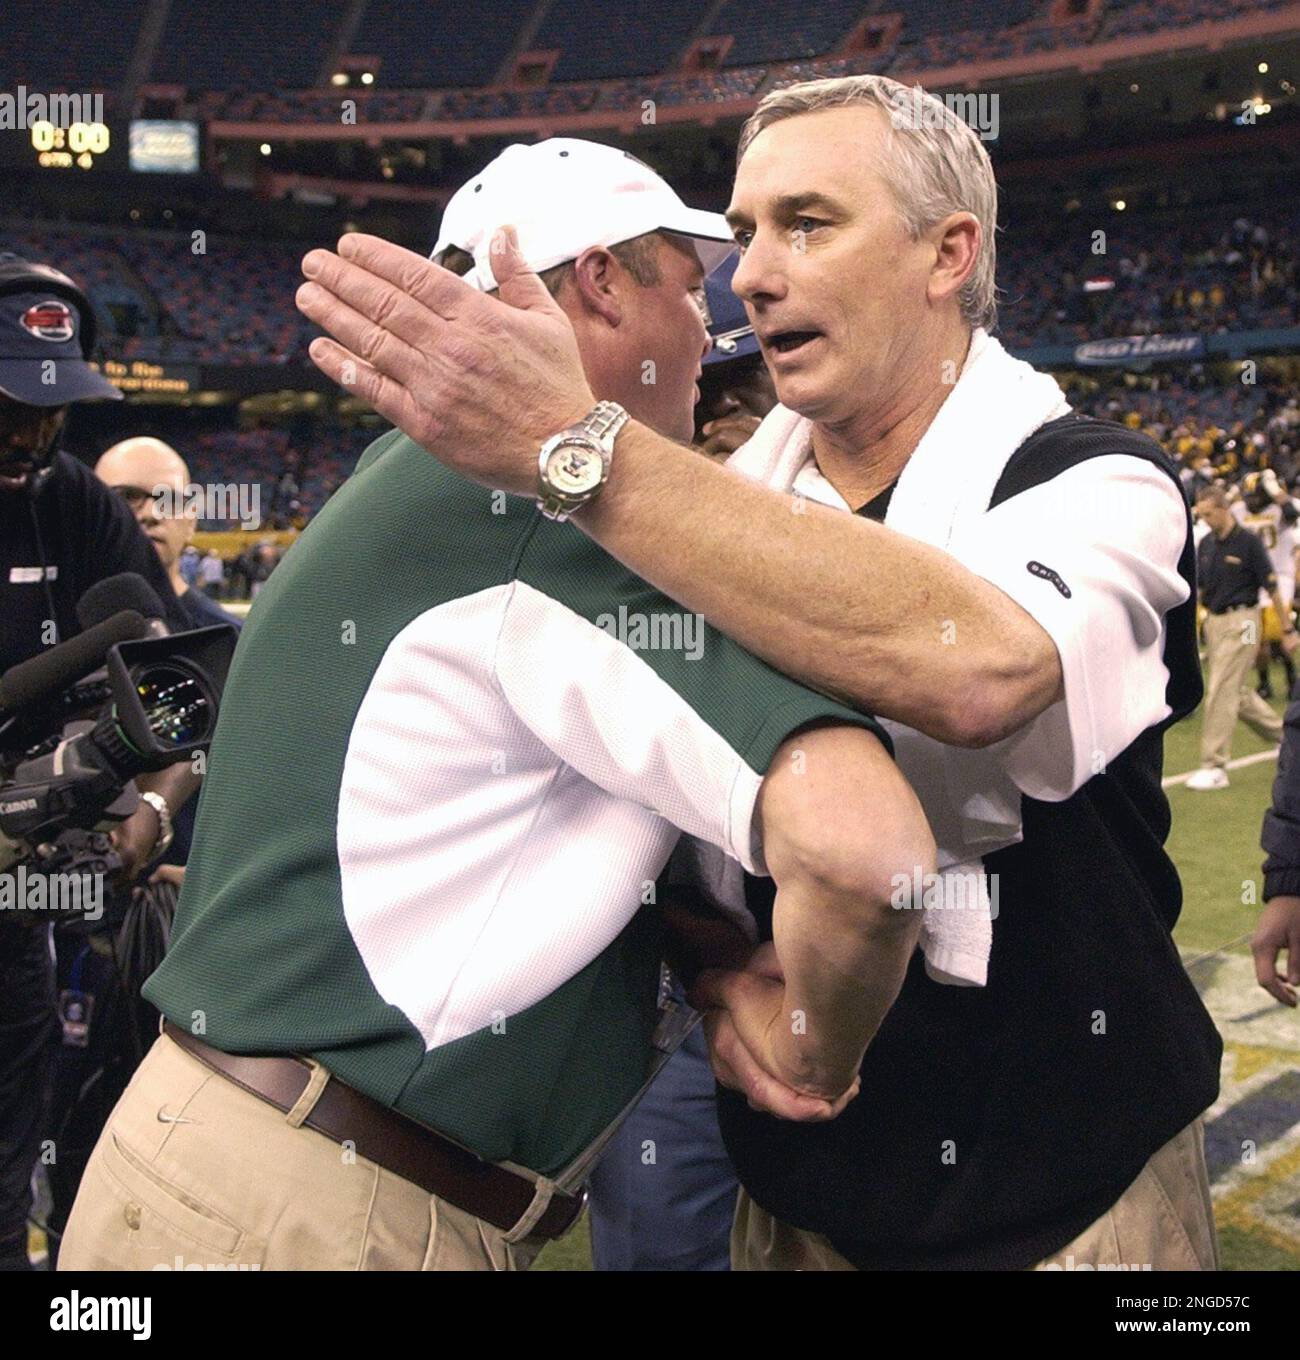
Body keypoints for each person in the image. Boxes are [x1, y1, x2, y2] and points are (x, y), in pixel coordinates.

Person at [297, 74, 1226, 1271]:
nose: (749, 273)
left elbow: (982, 666)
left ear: (949, 254)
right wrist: (712, 970)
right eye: (740, 234)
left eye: (806, 222)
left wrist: (576, 450)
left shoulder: (1095, 480)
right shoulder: (717, 509)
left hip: (1072, 1204)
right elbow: (636, 839)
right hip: (796, 1197)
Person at [59, 139, 935, 1272]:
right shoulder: (542, 507)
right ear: (600, 284)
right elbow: (865, 852)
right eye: (682, 281)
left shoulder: (410, 481)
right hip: (322, 1203)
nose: (706, 327)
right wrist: (809, 1049)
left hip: (234, 1155)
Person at [0, 253, 197, 1271]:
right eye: (7, 403)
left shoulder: (73, 498)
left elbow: (178, 688)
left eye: (49, 407)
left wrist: (151, 815)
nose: (30, 432)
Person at [1189, 483, 1294, 791]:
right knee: (1237, 691)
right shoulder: (1206, 545)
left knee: (1221, 687)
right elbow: (1200, 589)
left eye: (1209, 513)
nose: (1206, 519)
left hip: (1247, 621)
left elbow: (1272, 587)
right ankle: (1287, 738)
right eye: (1202, 515)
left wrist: (1287, 629)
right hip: (1217, 623)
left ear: (1223, 508)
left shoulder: (1248, 542)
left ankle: (1214, 765)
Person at [94, 437, 243, 632]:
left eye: (170, 499)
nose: (151, 513)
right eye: (126, 496)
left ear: (191, 522)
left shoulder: (231, 642)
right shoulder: (51, 629)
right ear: (91, 510)